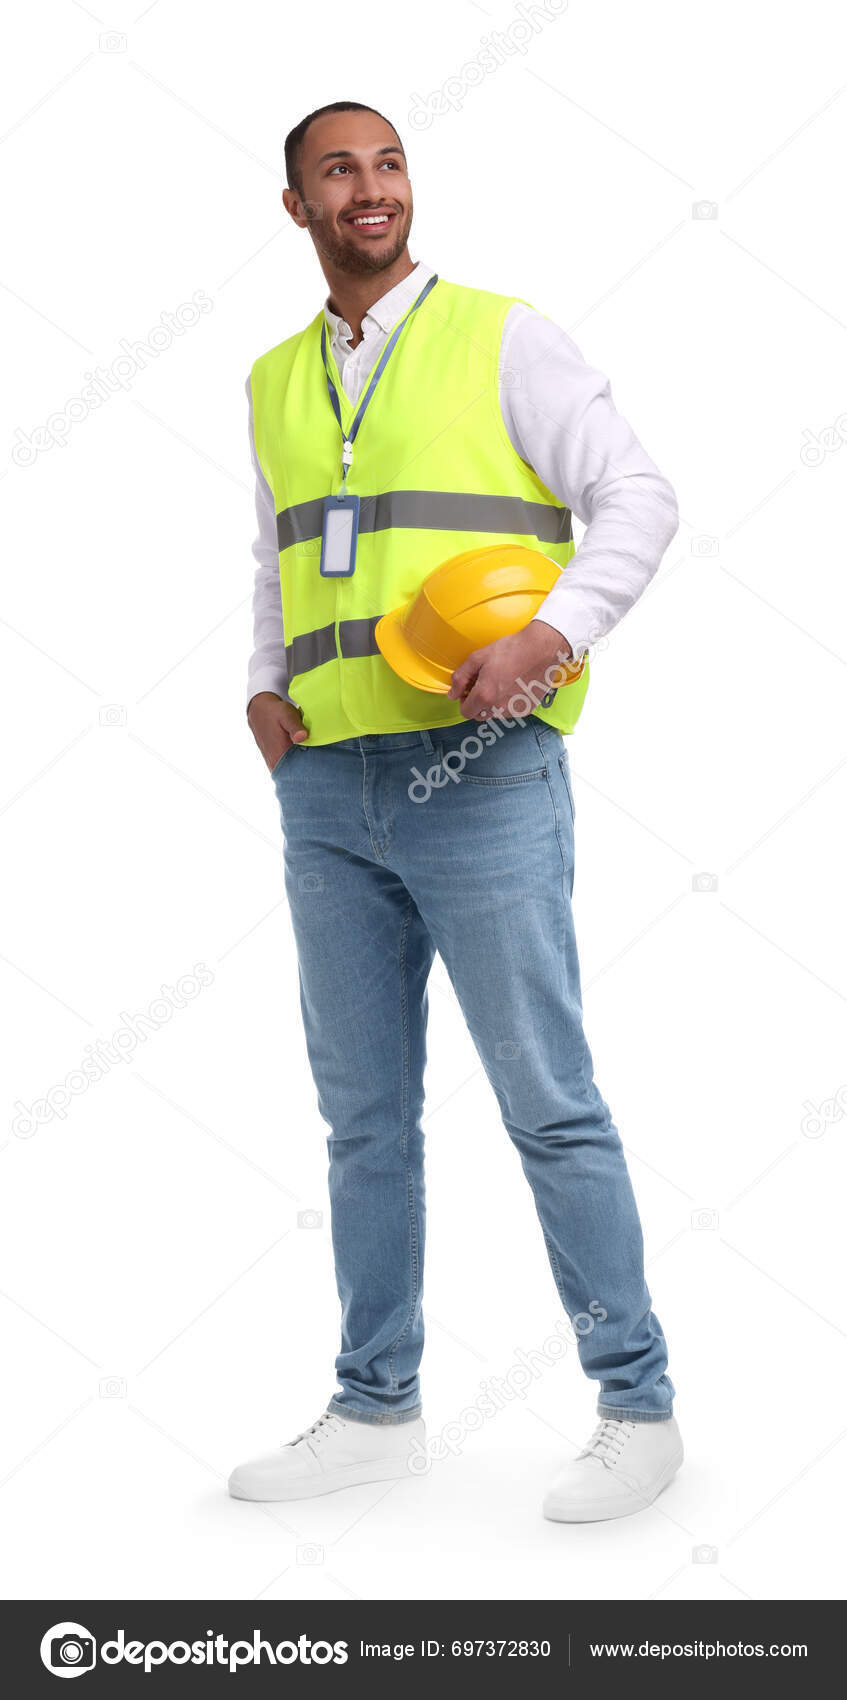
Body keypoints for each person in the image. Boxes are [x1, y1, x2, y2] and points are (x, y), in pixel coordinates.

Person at [228, 100, 683, 1522]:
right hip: (327, 786)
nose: (373, 188)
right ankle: (377, 1405)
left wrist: (551, 636)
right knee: (365, 1120)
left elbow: (640, 497)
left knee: (547, 1102)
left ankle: (639, 1403)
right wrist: (261, 687)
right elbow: (278, 551)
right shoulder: (272, 378)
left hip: (481, 779)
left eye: (390, 164)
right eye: (339, 171)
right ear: (296, 206)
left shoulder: (504, 334)